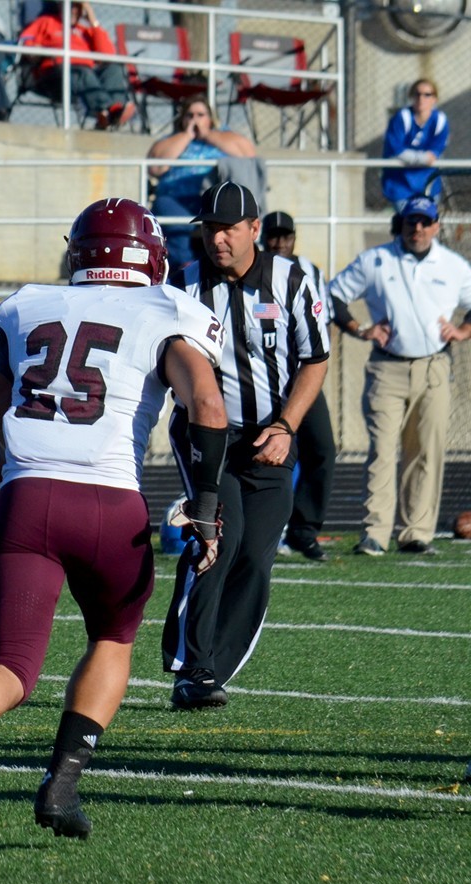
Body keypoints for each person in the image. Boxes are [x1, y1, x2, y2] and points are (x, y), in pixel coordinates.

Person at [0, 197, 227, 839]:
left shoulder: (31, 307)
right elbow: (206, 404)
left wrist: (19, 492)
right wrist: (204, 508)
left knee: (12, 666)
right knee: (113, 638)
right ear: (150, 257)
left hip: (27, 499)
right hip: (110, 504)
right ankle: (61, 787)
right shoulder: (167, 309)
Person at [160, 182, 327, 710]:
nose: (218, 239)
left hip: (271, 435)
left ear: (255, 228)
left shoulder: (292, 280)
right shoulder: (182, 286)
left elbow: (315, 359)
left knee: (256, 555)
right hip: (208, 437)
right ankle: (192, 667)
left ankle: (214, 670)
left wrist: (286, 427)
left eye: (228, 228)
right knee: (219, 541)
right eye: (210, 228)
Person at [328, 195, 471, 557]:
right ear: (402, 225)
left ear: (436, 226)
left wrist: (462, 331)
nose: (417, 229)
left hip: (434, 367)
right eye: (412, 222)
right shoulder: (375, 260)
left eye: (425, 222)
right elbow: (334, 296)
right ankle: (374, 533)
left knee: (426, 451)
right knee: (381, 450)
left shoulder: (453, 265)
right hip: (387, 367)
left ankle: (416, 534)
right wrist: (361, 329)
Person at [261, 210, 353, 563]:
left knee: (323, 450)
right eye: (273, 236)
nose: (279, 243)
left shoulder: (309, 272)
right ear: (261, 237)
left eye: (285, 236)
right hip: (262, 381)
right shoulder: (252, 271)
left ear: (294, 238)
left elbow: (321, 327)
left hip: (301, 379)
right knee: (262, 454)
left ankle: (303, 530)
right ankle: (260, 530)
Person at [147, 96, 257, 269]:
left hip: (211, 198)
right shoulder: (173, 138)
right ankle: (185, 265)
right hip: (175, 199)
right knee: (164, 208)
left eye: (200, 115)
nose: (195, 120)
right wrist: (186, 136)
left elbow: (249, 155)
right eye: (190, 115)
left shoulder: (224, 135)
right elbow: (155, 168)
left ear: (210, 118)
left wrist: (207, 135)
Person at [19, 1, 135, 130]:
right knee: (80, 71)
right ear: (61, 5)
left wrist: (93, 21)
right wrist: (37, 49)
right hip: (56, 76)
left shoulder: (85, 30)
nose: (74, 10)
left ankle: (113, 111)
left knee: (113, 68)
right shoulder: (45, 22)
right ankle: (107, 110)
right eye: (71, 6)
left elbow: (107, 55)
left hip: (87, 77)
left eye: (78, 7)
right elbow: (25, 42)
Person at [381, 78, 448, 212]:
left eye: (427, 94)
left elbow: (435, 152)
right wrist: (421, 158)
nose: (421, 99)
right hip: (401, 183)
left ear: (434, 98)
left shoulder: (439, 120)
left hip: (428, 182)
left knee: (428, 221)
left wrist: (421, 158)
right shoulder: (402, 117)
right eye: (417, 94)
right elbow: (396, 149)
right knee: (407, 222)